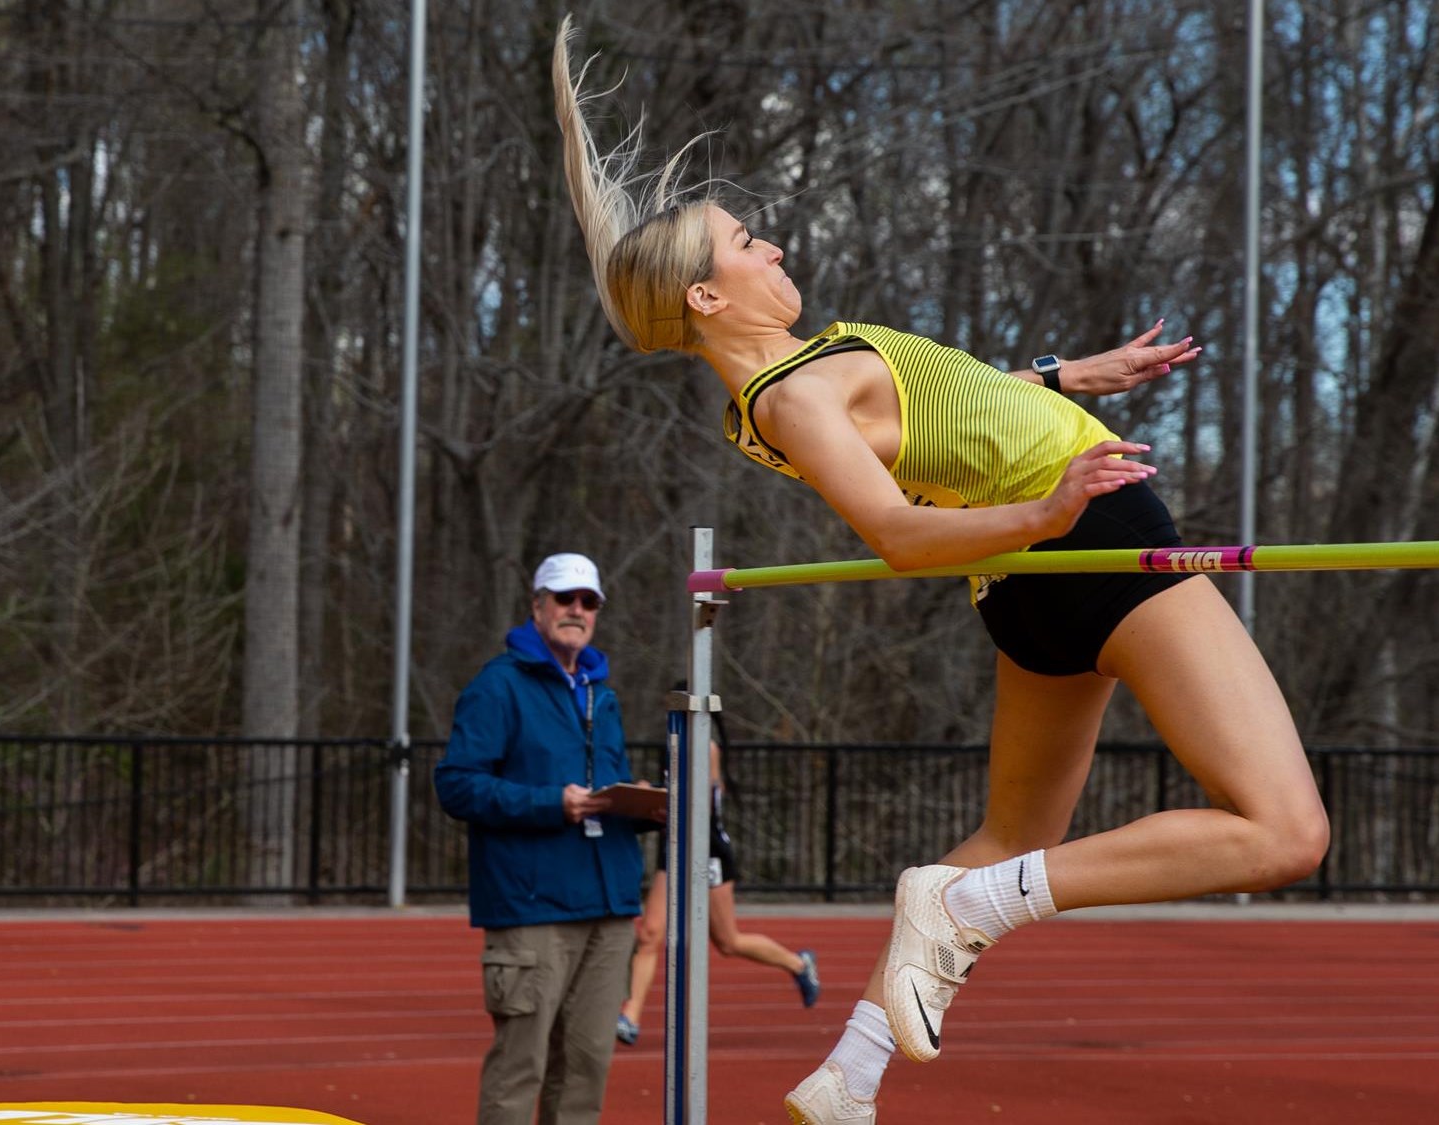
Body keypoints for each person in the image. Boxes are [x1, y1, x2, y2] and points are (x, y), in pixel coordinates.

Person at [551, 20, 1331, 1125]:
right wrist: (1054, 501)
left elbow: (948, 409)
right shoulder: (794, 396)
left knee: (1011, 839)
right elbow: (892, 533)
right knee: (1283, 833)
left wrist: (1067, 376)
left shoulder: (801, 385)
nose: (770, 247)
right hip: (1083, 544)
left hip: (1029, 583)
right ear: (706, 300)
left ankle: (849, 1074)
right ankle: (973, 904)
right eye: (743, 243)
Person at [434, 552, 652, 1125]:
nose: (576, 611)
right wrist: (549, 804)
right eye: (564, 599)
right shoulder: (498, 686)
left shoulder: (600, 693)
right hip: (532, 908)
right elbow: (456, 785)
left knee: (587, 1067)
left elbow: (602, 783)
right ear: (537, 606)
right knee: (519, 1067)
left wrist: (642, 802)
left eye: (588, 602)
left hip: (607, 907)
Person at [615, 703, 818, 1047]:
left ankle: (798, 964)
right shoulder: (673, 744)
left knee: (727, 941)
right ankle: (630, 1016)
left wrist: (659, 798)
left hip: (707, 850)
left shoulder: (705, 748)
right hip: (674, 846)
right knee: (650, 932)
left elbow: (700, 809)